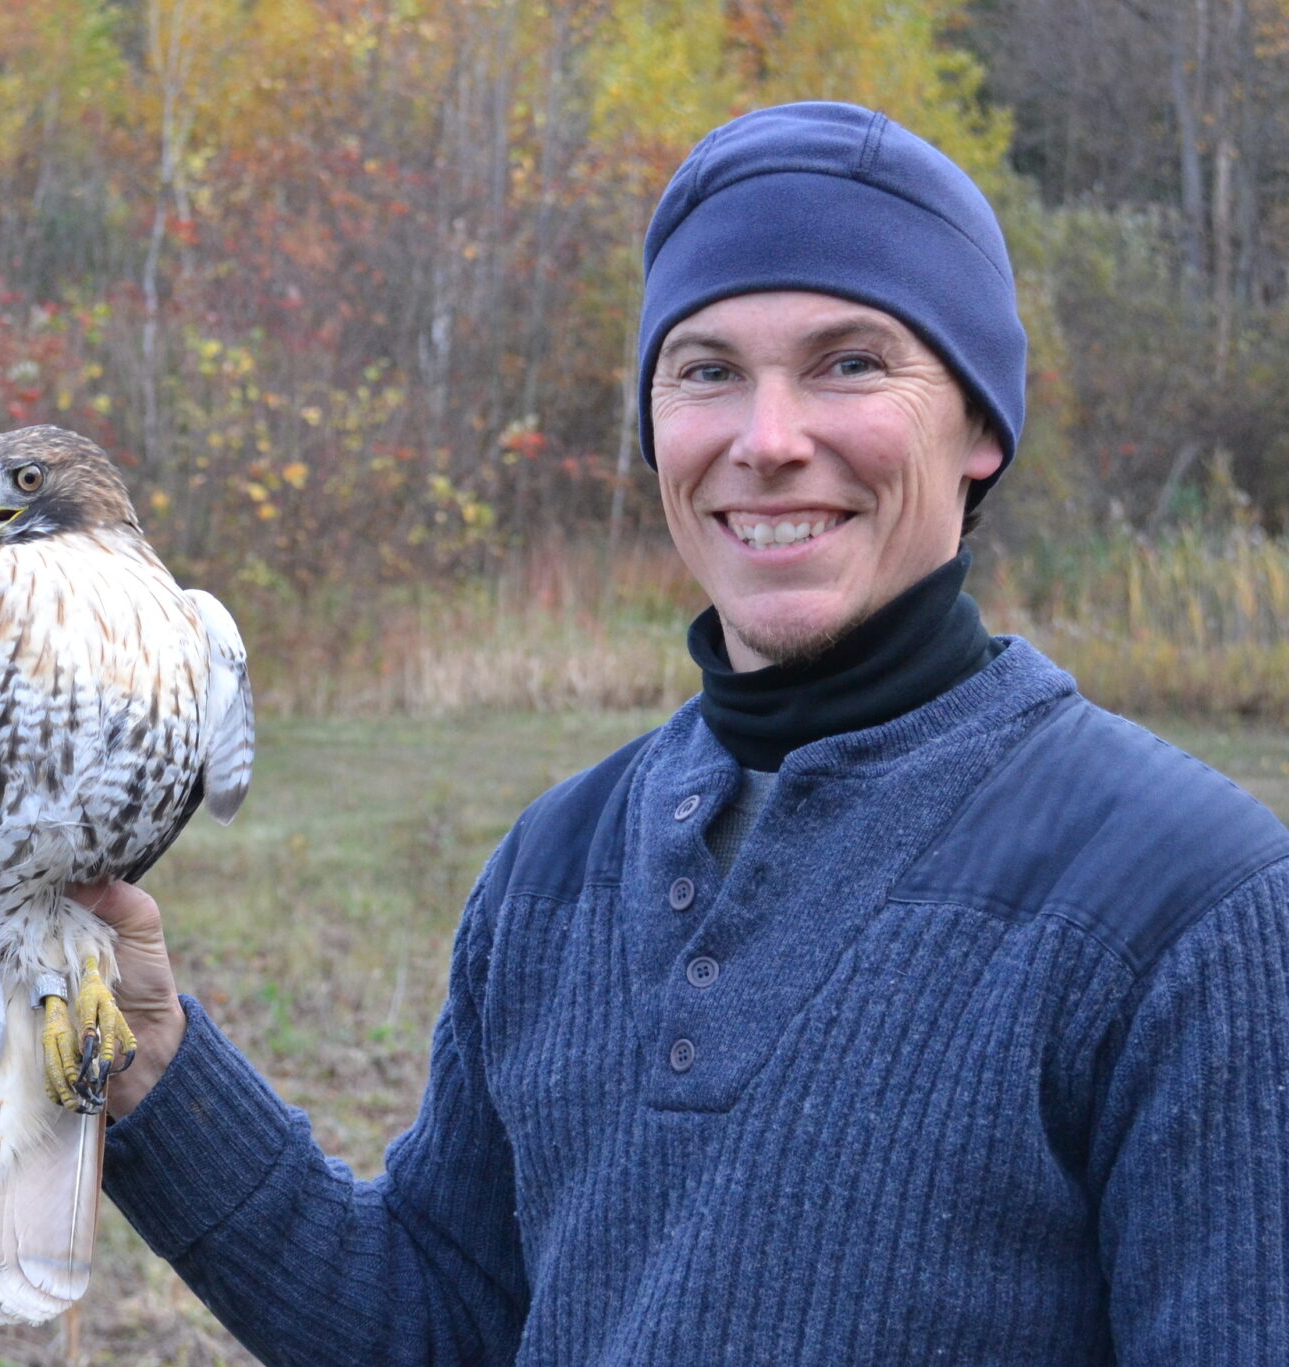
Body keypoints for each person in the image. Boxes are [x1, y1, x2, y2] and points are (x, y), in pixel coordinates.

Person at [77, 102, 1289, 1365]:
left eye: (850, 363)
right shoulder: (553, 868)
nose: (767, 441)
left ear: (980, 423)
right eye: (705, 370)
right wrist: (155, 1072)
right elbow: (442, 1327)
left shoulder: (1191, 905)